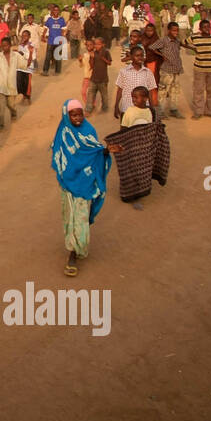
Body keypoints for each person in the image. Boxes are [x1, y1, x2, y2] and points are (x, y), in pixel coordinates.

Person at [51, 100, 123, 278]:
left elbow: (95, 152)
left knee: (81, 218)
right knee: (71, 217)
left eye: (80, 114)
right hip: (68, 184)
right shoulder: (63, 132)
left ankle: (75, 251)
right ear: (66, 116)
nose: (77, 118)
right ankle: (73, 252)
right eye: (73, 115)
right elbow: (59, 156)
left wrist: (106, 151)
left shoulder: (89, 130)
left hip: (86, 183)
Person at [181, 20, 211, 119]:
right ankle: (198, 111)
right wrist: (193, 48)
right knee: (198, 90)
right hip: (199, 68)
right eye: (204, 27)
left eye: (208, 27)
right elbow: (182, 43)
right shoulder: (195, 37)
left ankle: (210, 111)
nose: (207, 29)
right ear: (200, 29)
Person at [147, 22, 185, 119]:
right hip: (166, 70)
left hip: (176, 69)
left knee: (175, 90)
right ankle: (160, 112)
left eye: (177, 30)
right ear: (169, 31)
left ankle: (173, 109)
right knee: (163, 91)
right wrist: (162, 55)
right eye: (173, 30)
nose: (176, 32)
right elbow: (152, 47)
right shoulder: (163, 40)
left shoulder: (177, 41)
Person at [113, 45, 158, 122]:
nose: (140, 58)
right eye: (137, 56)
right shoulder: (123, 71)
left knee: (142, 130)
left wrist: (152, 108)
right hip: (127, 107)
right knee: (126, 130)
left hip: (143, 109)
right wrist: (116, 106)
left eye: (142, 55)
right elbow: (120, 90)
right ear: (131, 56)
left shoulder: (148, 72)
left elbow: (150, 91)